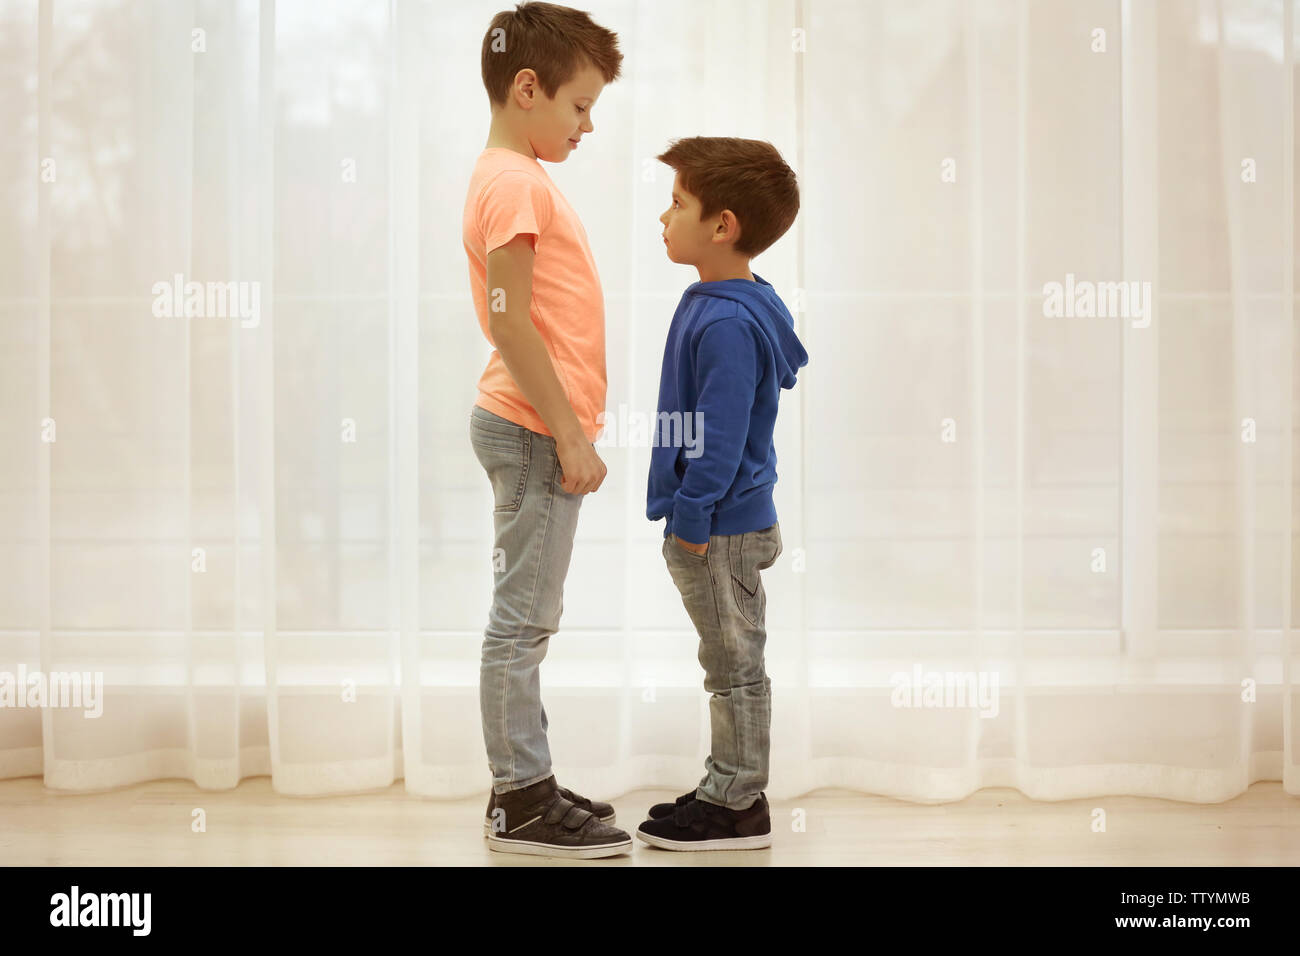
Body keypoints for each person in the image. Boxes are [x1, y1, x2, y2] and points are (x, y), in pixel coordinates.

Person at [461, 1, 628, 859]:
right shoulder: (518, 183)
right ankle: (520, 800)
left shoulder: (507, 176)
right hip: (531, 428)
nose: (587, 124)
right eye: (579, 105)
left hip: (526, 425)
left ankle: (524, 778)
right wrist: (568, 432)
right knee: (521, 621)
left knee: (528, 615)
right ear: (527, 87)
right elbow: (512, 321)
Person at [638, 137, 809, 851]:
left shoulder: (730, 320)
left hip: (719, 525)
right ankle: (726, 783)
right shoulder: (718, 300)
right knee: (728, 662)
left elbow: (721, 431)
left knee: (733, 668)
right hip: (717, 520)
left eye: (677, 203)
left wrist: (692, 516)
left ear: (723, 226)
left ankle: (738, 803)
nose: (662, 216)